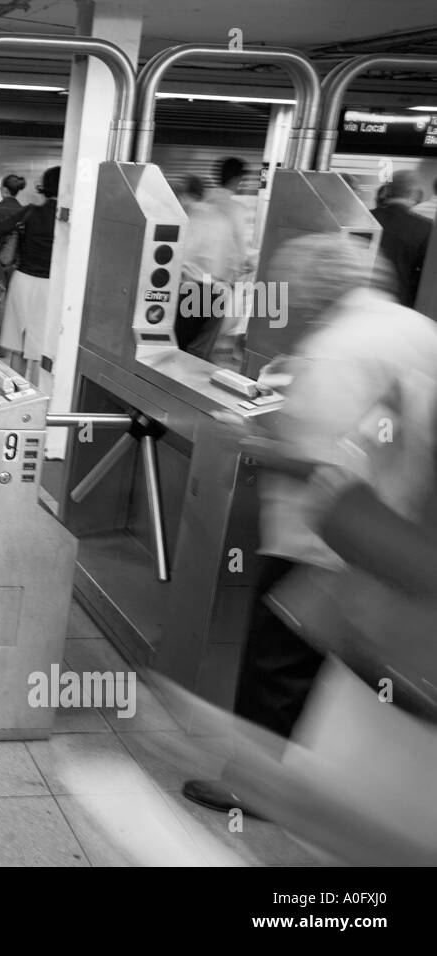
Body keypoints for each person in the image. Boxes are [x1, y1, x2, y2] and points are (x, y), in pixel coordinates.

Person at [183, 230, 437, 815]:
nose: (290, 305)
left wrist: (246, 442)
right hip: (402, 537)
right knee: (338, 673)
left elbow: (325, 464)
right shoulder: (412, 326)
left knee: (278, 663)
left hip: (330, 545)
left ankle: (252, 786)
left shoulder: (336, 347)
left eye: (293, 294)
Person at [1, 165, 59, 387]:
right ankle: (36, 392)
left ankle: (14, 393)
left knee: (18, 343)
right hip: (50, 285)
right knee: (38, 347)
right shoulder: (69, 220)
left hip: (22, 280)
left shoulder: (30, 212)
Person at [174, 174, 242, 360]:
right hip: (219, 292)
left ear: (184, 196)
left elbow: (179, 260)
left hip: (192, 291)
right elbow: (235, 262)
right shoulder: (220, 218)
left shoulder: (189, 219)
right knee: (199, 356)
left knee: (177, 352)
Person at [0, 173, 28, 361]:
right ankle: (11, 345)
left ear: (5, 190)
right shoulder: (24, 210)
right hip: (15, 262)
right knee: (11, 303)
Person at [371, 169, 430, 309]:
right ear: (415, 194)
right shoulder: (425, 228)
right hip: (398, 305)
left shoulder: (365, 218)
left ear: (387, 191)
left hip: (356, 301)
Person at [208, 157, 252, 276]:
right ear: (237, 179)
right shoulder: (236, 209)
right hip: (220, 275)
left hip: (193, 273)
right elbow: (241, 246)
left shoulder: (203, 200)